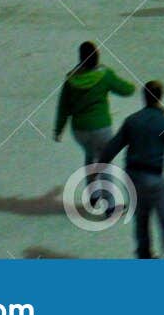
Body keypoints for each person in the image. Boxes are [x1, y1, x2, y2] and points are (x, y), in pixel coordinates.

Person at [100, 81, 164, 260]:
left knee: (141, 218)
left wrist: (101, 164)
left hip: (133, 176)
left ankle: (143, 254)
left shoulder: (132, 121)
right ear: (161, 97)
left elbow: (113, 146)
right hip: (154, 177)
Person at [52, 41, 135, 200]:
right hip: (101, 128)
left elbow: (63, 107)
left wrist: (58, 129)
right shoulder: (104, 75)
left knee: (90, 157)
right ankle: (110, 203)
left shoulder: (71, 79)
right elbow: (127, 90)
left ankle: (94, 194)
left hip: (79, 130)